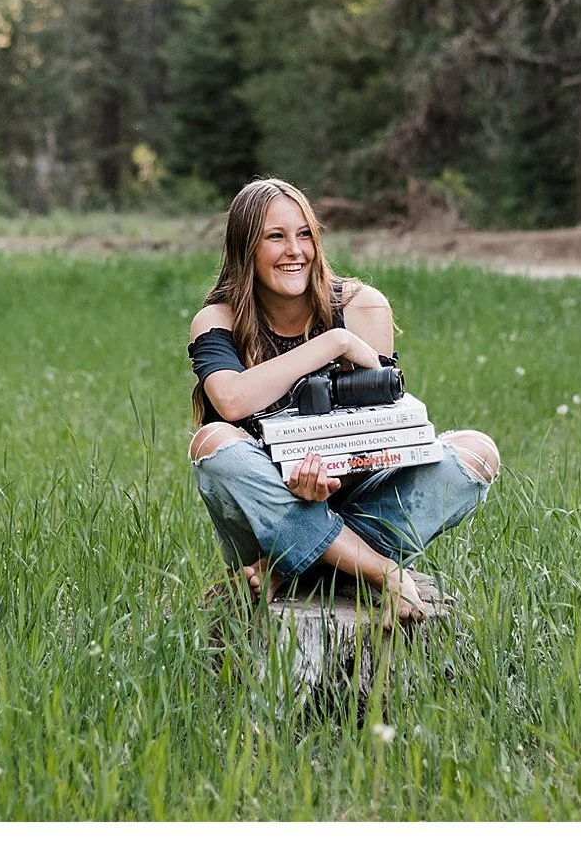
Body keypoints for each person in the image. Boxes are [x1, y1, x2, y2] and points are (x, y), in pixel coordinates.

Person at [186, 177, 500, 622]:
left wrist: (331, 478)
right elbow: (232, 402)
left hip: (351, 492)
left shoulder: (362, 306)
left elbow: (384, 431)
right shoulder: (218, 320)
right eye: (275, 237)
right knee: (213, 443)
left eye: (305, 234)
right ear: (245, 248)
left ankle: (289, 566)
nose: (295, 250)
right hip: (267, 506)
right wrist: (333, 343)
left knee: (477, 453)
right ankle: (379, 571)